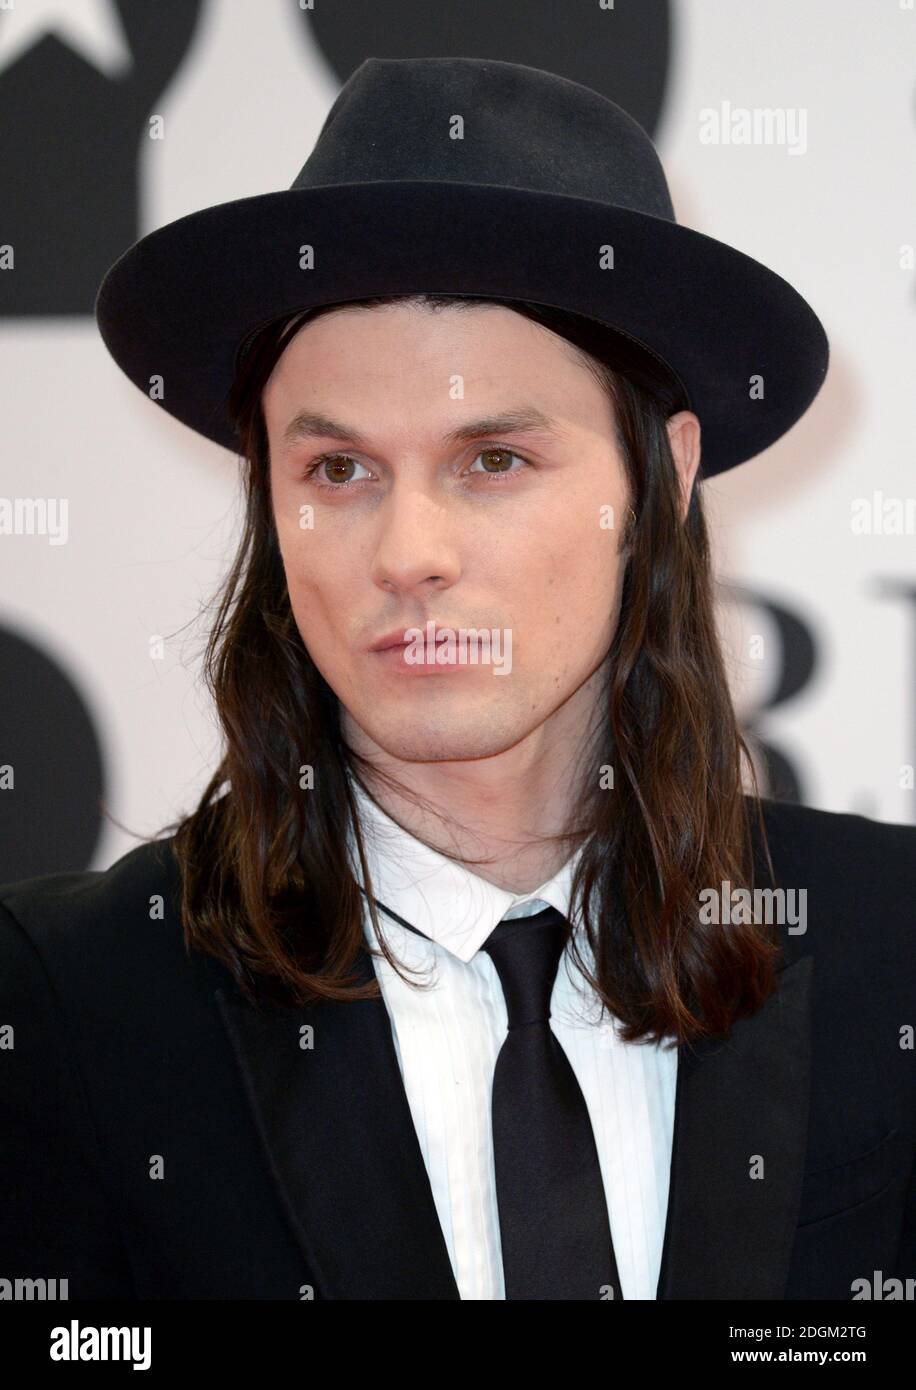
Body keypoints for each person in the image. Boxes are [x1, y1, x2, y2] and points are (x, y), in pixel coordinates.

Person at [1, 56, 913, 1302]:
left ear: (662, 478)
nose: (409, 553)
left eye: (492, 458)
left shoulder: (890, 946)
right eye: (337, 471)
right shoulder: (74, 1003)